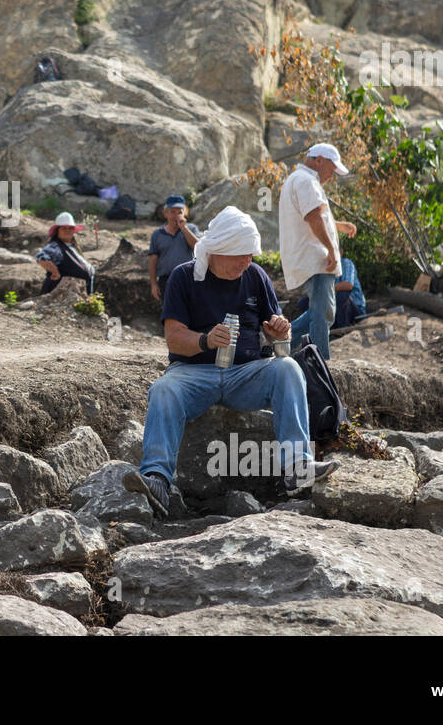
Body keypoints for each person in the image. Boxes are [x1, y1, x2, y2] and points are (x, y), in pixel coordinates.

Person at [121, 206, 340, 517]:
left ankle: (297, 466)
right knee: (163, 389)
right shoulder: (184, 277)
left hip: (246, 374)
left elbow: (277, 338)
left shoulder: (255, 276)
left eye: (250, 254)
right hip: (193, 373)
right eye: (240, 254)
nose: (246, 261)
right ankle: (157, 479)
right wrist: (205, 340)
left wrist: (281, 332)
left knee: (288, 368)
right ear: (218, 250)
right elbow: (173, 338)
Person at [279, 143, 356, 361]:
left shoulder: (301, 180)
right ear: (319, 160)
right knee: (322, 314)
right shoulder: (306, 181)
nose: (332, 176)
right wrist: (332, 249)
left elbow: (316, 215)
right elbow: (313, 217)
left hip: (312, 257)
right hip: (317, 257)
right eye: (332, 169)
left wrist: (339, 225)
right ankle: (321, 360)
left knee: (321, 312)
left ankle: (278, 343)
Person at [148, 194, 201, 303]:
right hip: (166, 280)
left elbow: (198, 248)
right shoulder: (157, 234)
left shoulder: (191, 229)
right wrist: (153, 284)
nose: (176, 216)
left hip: (189, 278)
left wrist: (184, 229)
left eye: (180, 212)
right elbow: (153, 261)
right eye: (173, 212)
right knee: (169, 314)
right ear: (165, 213)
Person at [295, 255, 366, 328]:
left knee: (342, 295)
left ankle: (342, 328)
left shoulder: (345, 263)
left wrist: (323, 290)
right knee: (303, 302)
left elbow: (348, 285)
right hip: (332, 308)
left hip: (354, 310)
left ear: (341, 252)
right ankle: (318, 330)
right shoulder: (322, 267)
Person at [36, 211, 94, 294]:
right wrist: (54, 271)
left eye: (70, 228)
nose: (67, 230)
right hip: (60, 297)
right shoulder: (56, 246)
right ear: (57, 231)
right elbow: (41, 257)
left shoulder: (72, 247)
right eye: (64, 228)